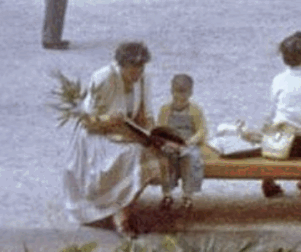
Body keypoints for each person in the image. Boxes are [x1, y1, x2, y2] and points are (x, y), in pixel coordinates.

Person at [63, 41, 162, 236]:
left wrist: (152, 132)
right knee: (132, 154)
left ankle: (126, 205)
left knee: (151, 153)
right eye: (133, 69)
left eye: (140, 68)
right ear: (121, 66)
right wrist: (109, 120)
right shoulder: (103, 78)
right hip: (97, 135)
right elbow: (87, 121)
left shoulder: (143, 79)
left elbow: (145, 113)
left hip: (124, 132)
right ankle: (121, 215)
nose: (137, 73)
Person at [258, 31, 301, 199]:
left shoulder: (279, 80)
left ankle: (268, 180)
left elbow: (274, 108)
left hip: (283, 143)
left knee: (270, 131)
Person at [155, 73, 207, 210]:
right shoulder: (165, 110)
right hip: (170, 143)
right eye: (177, 94)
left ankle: (187, 196)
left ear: (190, 93)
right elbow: (160, 129)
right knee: (164, 159)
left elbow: (201, 131)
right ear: (172, 92)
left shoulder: (195, 110)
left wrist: (189, 142)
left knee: (189, 158)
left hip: (188, 143)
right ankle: (167, 194)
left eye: (184, 95)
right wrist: (167, 142)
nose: (180, 99)